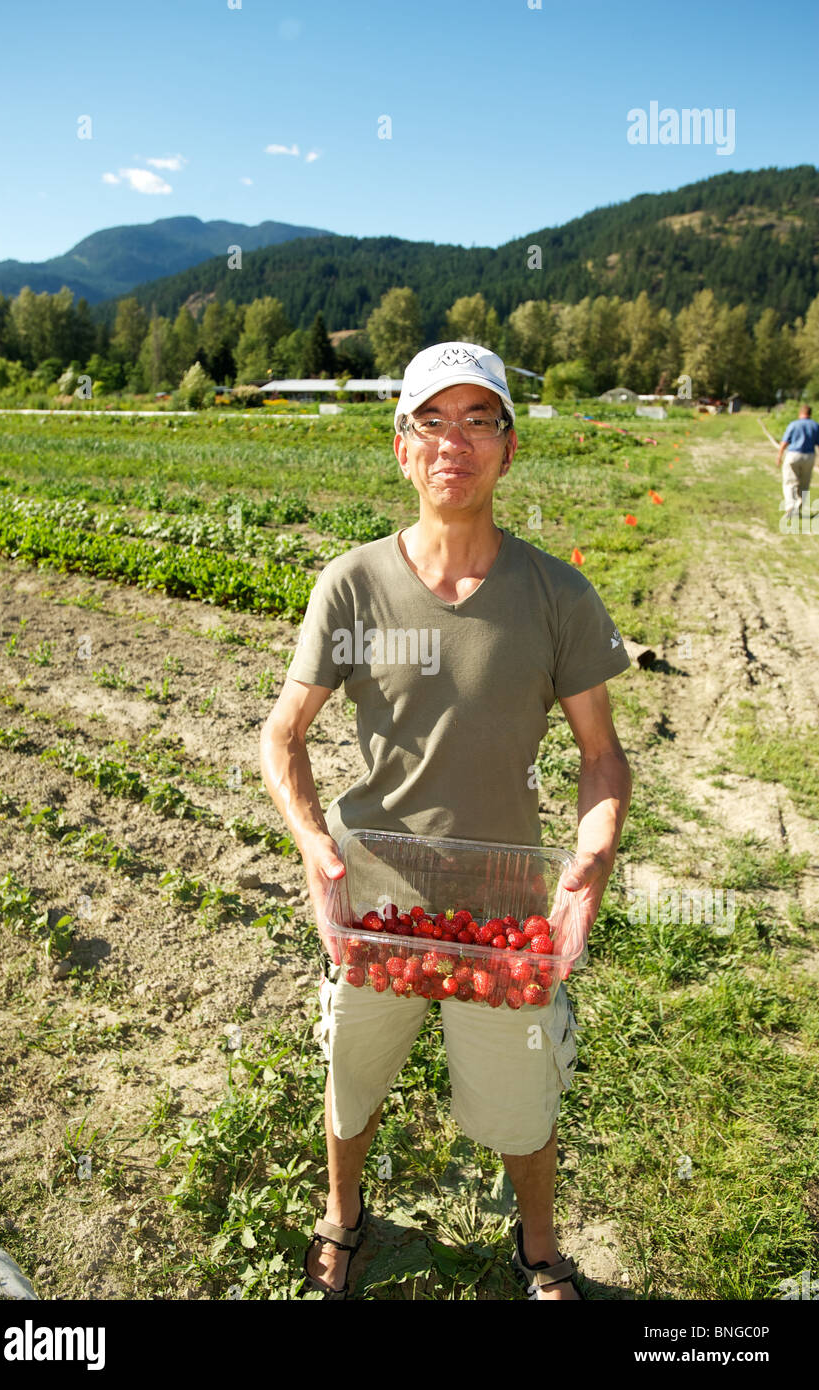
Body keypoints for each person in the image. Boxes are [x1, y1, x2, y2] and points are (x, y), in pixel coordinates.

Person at [260, 340, 633, 1301]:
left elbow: (600, 756)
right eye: (431, 420)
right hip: (373, 898)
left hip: (502, 904)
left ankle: (538, 1249)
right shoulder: (353, 583)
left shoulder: (557, 593)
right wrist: (312, 844)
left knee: (521, 1099)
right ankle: (342, 1217)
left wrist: (587, 861)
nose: (452, 442)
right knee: (351, 1073)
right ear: (401, 447)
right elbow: (283, 735)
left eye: (478, 420)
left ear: (509, 449)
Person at [776, 405, 819, 523]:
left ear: (800, 413)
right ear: (810, 414)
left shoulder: (794, 424)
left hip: (793, 455)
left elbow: (785, 442)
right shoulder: (815, 425)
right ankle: (798, 505)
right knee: (804, 483)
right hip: (809, 456)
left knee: (790, 481)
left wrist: (779, 455)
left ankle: (790, 506)